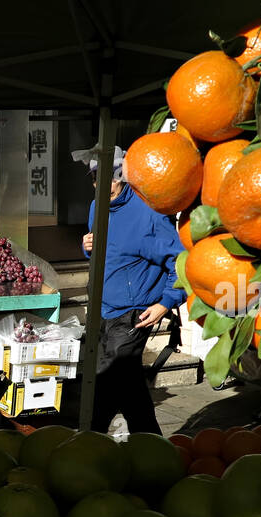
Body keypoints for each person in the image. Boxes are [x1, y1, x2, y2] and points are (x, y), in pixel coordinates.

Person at [81, 146, 184, 435]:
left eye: (109, 177)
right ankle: (153, 450)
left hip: (134, 312)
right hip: (103, 309)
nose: (101, 184)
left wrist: (166, 302)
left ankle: (88, 441)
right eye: (94, 178)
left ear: (124, 176)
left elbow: (181, 261)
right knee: (129, 388)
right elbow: (107, 253)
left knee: (106, 381)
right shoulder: (96, 208)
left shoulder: (149, 213)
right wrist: (86, 248)